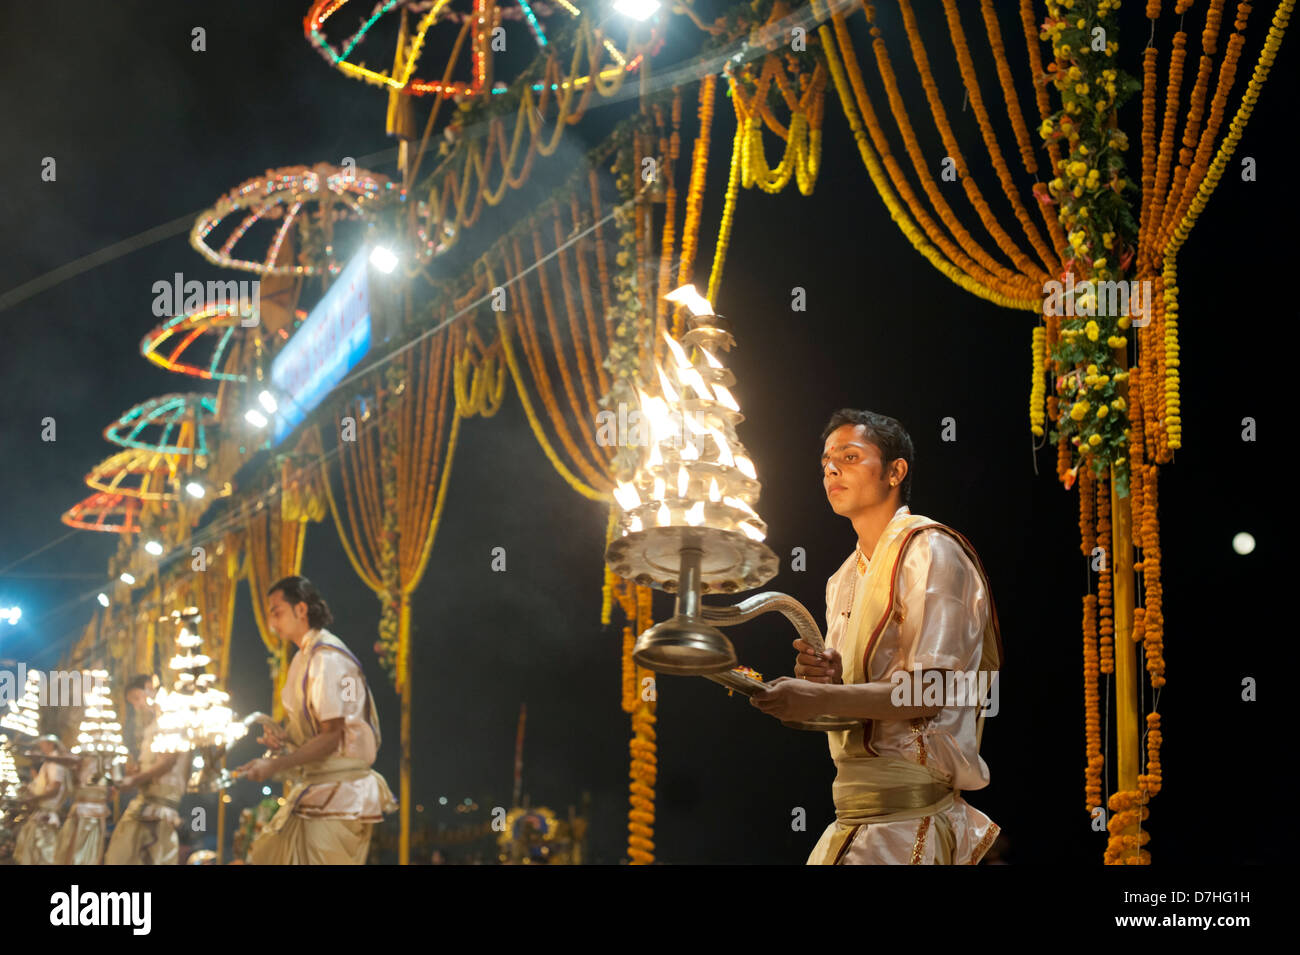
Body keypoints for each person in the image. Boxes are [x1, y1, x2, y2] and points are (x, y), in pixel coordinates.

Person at [751, 409, 1003, 864]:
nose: (831, 469)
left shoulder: (931, 550)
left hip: (909, 821)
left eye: (850, 456)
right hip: (851, 816)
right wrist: (826, 682)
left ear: (895, 471)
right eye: (827, 460)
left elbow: (930, 691)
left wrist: (820, 699)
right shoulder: (841, 579)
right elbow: (855, 701)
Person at [239, 576, 397, 864]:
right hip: (318, 788)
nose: (272, 621)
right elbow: (314, 729)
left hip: (340, 793)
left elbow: (331, 737)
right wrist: (284, 738)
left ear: (301, 609)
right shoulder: (304, 657)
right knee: (272, 852)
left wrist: (274, 765)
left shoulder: (327, 657)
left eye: (277, 611)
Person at [104, 675, 190, 865]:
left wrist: (134, 780)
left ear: (150, 687)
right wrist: (134, 772)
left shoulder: (172, 719)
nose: (137, 706)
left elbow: (167, 762)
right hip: (147, 801)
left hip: (159, 805)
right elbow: (154, 765)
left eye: (136, 698)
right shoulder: (154, 725)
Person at [14, 735, 70, 865]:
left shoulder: (56, 762)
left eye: (43, 744)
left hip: (47, 811)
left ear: (51, 744)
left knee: (44, 849)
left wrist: (35, 797)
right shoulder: (49, 761)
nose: (41, 748)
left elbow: (55, 788)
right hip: (42, 808)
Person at [54, 750, 110, 864]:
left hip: (92, 819)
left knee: (87, 852)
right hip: (78, 817)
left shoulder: (101, 776)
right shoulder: (78, 774)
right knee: (71, 847)